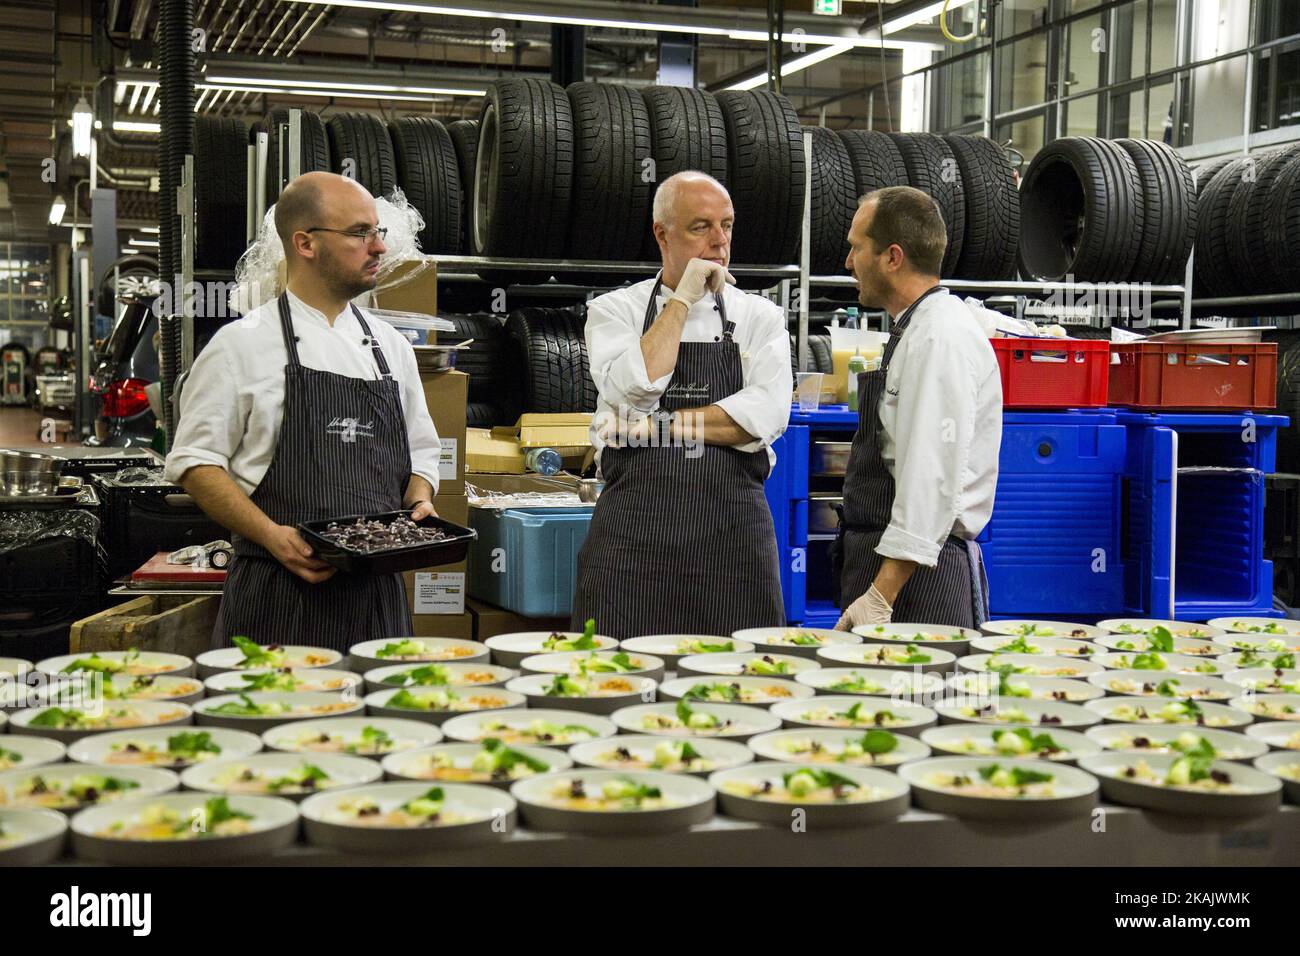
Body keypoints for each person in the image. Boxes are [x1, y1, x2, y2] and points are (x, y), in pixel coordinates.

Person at [164, 171, 442, 651]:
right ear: (305, 243)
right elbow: (195, 462)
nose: (379, 247)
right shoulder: (241, 345)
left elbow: (422, 452)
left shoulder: (390, 348)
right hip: (278, 594)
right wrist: (273, 536)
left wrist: (420, 499)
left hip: (377, 602)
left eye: (378, 232)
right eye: (360, 233)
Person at [572, 171, 792, 640]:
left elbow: (762, 417)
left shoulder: (762, 317)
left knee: (736, 675)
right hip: (632, 540)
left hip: (733, 540)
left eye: (727, 225)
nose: (719, 241)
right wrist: (682, 301)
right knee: (618, 668)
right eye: (701, 227)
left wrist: (656, 427)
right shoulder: (615, 310)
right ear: (662, 234)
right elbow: (634, 391)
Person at [833, 186, 1002, 631]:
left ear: (892, 257)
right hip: (895, 569)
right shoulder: (915, 328)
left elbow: (931, 475)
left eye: (856, 248)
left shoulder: (937, 337)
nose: (848, 262)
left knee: (922, 678)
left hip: (918, 583)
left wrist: (880, 594)